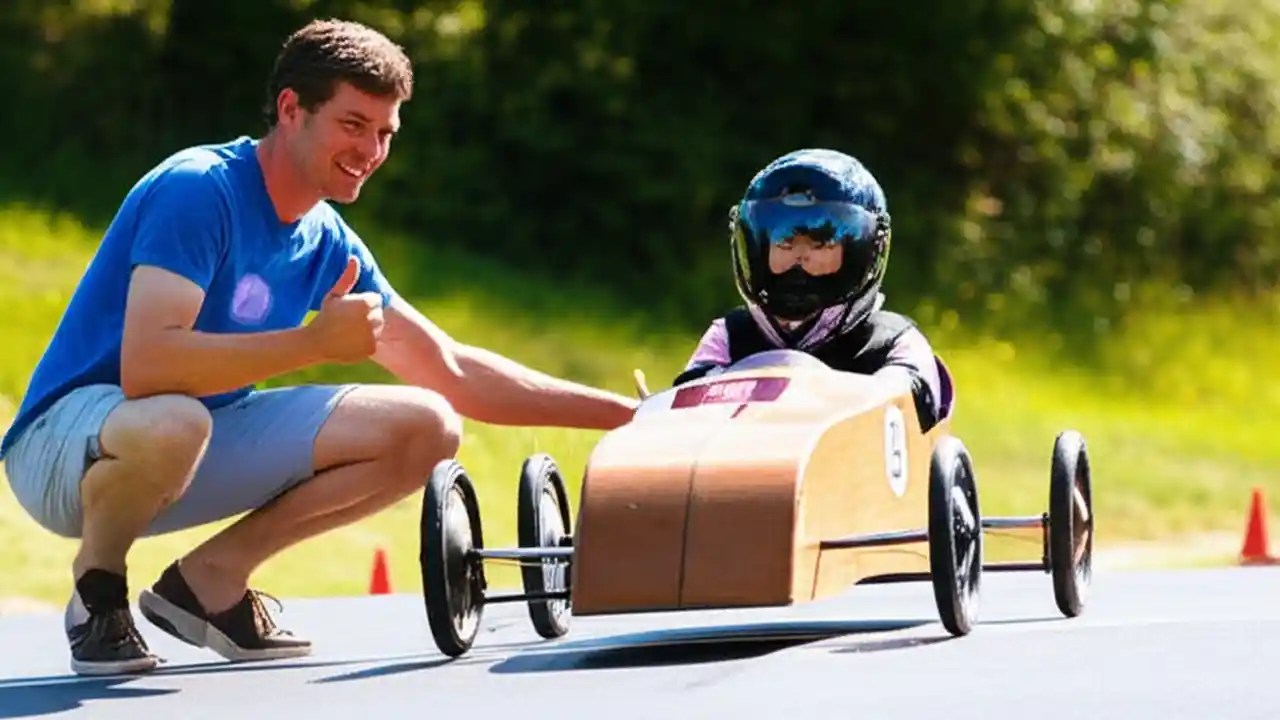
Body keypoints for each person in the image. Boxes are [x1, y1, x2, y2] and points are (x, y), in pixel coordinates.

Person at [0, 18, 638, 676]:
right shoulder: (199, 189)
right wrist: (312, 342)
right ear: (290, 110)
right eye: (353, 124)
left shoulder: (326, 240)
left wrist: (629, 416)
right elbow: (148, 368)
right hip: (64, 446)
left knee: (427, 428)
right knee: (175, 421)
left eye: (385, 133)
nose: (371, 149)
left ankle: (211, 581)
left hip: (186, 439)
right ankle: (98, 590)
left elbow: (451, 370)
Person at [674, 148, 953, 430]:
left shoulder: (891, 340)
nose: (800, 258)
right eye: (784, 243)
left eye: (821, 245)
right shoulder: (731, 335)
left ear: (860, 253)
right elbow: (685, 410)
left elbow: (913, 406)